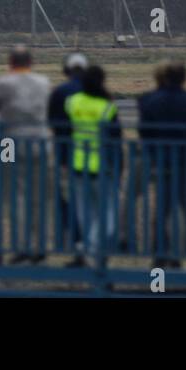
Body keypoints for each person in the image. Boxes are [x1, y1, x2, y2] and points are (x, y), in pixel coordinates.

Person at [137, 61, 186, 268]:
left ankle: (160, 255)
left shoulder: (153, 102)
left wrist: (153, 154)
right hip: (185, 163)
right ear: (185, 79)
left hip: (162, 162)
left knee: (160, 213)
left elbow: (144, 131)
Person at [0, 45, 50, 263]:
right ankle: (40, 245)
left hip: (13, 141)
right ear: (30, 63)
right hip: (39, 141)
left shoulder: (4, 82)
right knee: (39, 196)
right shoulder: (43, 82)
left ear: (11, 62)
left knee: (15, 196)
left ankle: (22, 245)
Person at [64, 64, 123, 265]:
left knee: (84, 213)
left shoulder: (72, 102)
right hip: (102, 166)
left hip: (78, 163)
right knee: (108, 215)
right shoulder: (106, 107)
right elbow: (116, 137)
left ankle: (88, 249)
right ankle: (92, 246)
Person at [48, 52, 87, 251]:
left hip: (66, 154)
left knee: (65, 197)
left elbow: (52, 121)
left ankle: (73, 239)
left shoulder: (60, 91)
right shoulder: (97, 92)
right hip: (92, 157)